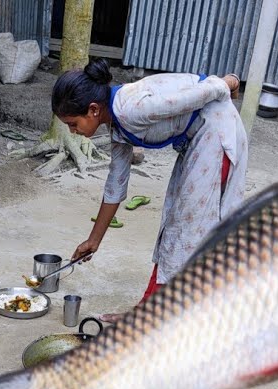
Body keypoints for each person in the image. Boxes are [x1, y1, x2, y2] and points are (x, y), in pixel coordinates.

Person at [52, 58, 248, 321]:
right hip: (198, 141)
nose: (72, 131)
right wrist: (93, 240)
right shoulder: (117, 123)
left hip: (217, 134)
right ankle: (151, 309)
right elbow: (115, 184)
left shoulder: (132, 109)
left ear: (93, 110)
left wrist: (229, 81)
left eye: (73, 124)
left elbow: (203, 92)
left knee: (189, 230)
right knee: (173, 228)